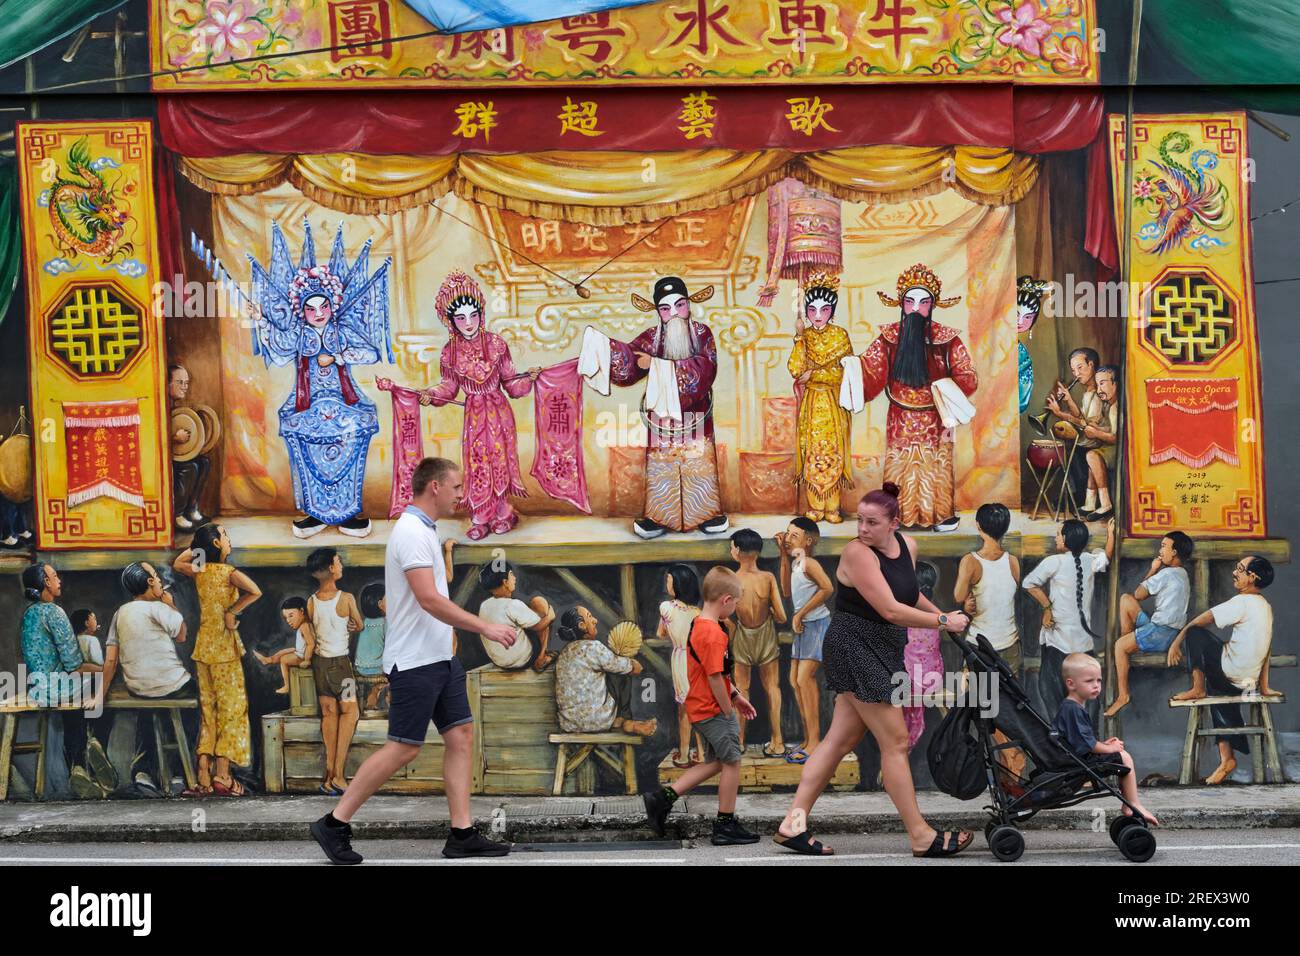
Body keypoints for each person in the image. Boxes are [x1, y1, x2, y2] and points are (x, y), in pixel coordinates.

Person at [311, 457, 519, 863]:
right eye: (457, 486)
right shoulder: (409, 532)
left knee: (459, 738)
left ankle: (461, 834)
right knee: (403, 748)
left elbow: (432, 596)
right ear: (435, 488)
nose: (462, 494)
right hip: (414, 662)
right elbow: (428, 599)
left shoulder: (426, 530)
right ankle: (334, 823)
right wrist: (485, 627)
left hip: (440, 658)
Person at [773, 484, 972, 857]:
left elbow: (909, 596)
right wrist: (944, 621)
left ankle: (792, 824)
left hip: (883, 646)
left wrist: (943, 616)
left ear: (894, 523)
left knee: (838, 741)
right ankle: (921, 835)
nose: (862, 529)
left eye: (872, 522)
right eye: (859, 521)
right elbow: (891, 611)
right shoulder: (857, 554)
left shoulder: (907, 548)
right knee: (895, 741)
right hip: (853, 645)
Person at [246, 221, 390, 540]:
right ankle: (315, 513)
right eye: (311, 309)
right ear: (302, 311)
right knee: (307, 456)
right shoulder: (298, 334)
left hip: (344, 405)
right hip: (307, 407)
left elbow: (369, 353)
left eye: (323, 306)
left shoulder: (341, 333)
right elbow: (281, 352)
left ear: (332, 305)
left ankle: (348, 512)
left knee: (351, 448)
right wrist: (261, 322)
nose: (319, 312)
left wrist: (339, 357)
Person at [389, 270, 539, 541]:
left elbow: (512, 383)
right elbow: (448, 388)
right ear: (450, 320)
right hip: (474, 416)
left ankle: (504, 513)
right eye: (461, 318)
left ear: (482, 314)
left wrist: (529, 379)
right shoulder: (450, 352)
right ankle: (481, 517)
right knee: (478, 462)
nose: (468, 323)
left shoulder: (496, 344)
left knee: (500, 460)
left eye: (474, 315)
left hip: (499, 411)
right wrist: (430, 394)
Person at [594, 275, 728, 539]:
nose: (675, 313)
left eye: (680, 305)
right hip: (663, 420)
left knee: (697, 461)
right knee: (661, 465)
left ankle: (706, 514)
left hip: (696, 413)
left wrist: (655, 365)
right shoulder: (652, 337)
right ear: (658, 312)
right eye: (666, 309)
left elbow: (706, 368)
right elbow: (629, 363)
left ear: (689, 304)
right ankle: (659, 517)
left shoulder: (702, 334)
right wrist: (602, 348)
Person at [642, 567, 760, 845]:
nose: (736, 607)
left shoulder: (701, 626)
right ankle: (724, 825)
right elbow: (715, 676)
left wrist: (736, 696)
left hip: (702, 705)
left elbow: (713, 671)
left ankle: (661, 799)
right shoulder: (713, 633)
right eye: (737, 602)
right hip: (713, 709)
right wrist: (728, 708)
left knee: (717, 762)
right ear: (726, 600)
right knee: (732, 763)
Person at [858, 264, 978, 532]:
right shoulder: (889, 338)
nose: (915, 308)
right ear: (901, 304)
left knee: (937, 468)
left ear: (933, 305)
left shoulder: (947, 340)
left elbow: (967, 375)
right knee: (900, 466)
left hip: (938, 416)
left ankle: (941, 516)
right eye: (910, 301)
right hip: (900, 416)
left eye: (924, 302)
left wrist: (944, 388)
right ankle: (895, 518)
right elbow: (871, 371)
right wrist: (852, 368)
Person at [1167, 556, 1280, 785]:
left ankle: (1197, 689)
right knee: (1217, 686)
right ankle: (1227, 759)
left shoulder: (1241, 602)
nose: (1234, 573)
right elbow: (1266, 650)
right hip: (1248, 680)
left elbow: (1200, 621)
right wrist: (1264, 685)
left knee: (1195, 634)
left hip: (1231, 674)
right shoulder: (1266, 607)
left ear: (1253, 577)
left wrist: (1176, 641)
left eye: (1240, 569)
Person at [172, 524, 260, 797]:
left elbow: (178, 562)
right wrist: (233, 611)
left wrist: (200, 546)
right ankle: (222, 775)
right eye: (225, 536)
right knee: (231, 710)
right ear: (216, 543)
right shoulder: (228, 573)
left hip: (204, 648)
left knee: (209, 712)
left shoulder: (199, 570)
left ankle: (203, 776)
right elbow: (255, 591)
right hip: (225, 648)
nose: (230, 541)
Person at [98, 562, 199, 793]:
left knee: (150, 710)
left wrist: (100, 694)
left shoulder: (120, 613)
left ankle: (143, 770)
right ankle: (177, 772)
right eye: (156, 576)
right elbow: (182, 635)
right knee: (191, 709)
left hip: (138, 687)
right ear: (150, 582)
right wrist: (171, 606)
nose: (161, 581)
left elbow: (111, 660)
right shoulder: (159, 608)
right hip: (172, 685)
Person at [1023, 518, 1115, 727]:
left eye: (1058, 534)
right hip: (1083, 644)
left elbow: (1029, 583)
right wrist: (1110, 534)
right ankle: (1088, 737)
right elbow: (1106, 556)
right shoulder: (1090, 559)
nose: (1055, 538)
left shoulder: (1054, 561)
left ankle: (1062, 736)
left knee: (1049, 688)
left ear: (1065, 539)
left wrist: (1047, 607)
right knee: (1088, 694)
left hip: (1057, 641)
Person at [1054, 653, 1158, 825]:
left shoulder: (1072, 707)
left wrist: (1104, 745)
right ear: (1071, 684)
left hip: (1076, 757)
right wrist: (1110, 748)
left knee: (1119, 753)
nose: (1096, 686)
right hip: (1075, 762)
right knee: (1124, 757)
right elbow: (1089, 745)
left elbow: (1082, 741)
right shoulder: (1073, 709)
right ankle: (1131, 803)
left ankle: (1130, 804)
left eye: (1099, 680)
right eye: (1089, 681)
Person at [788, 271, 854, 522]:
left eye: (824, 310)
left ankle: (833, 507)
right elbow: (795, 369)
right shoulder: (804, 335)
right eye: (812, 310)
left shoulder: (840, 336)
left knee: (834, 452)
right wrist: (798, 338)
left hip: (834, 402)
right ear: (805, 310)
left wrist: (814, 373)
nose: (817, 316)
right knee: (812, 452)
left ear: (832, 311)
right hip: (812, 404)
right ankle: (815, 507)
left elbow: (842, 372)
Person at [1105, 531, 1193, 718]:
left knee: (1119, 646)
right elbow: (1133, 598)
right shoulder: (1182, 573)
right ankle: (1128, 647)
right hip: (1168, 631)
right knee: (1125, 600)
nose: (1160, 550)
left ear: (1174, 552)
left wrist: (1153, 569)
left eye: (1164, 546)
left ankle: (1123, 695)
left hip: (1161, 633)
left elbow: (1139, 593)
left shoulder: (1166, 573)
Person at [306, 547, 364, 796]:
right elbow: (358, 625)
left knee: (328, 716)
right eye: (338, 562)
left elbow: (312, 633)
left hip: (319, 665)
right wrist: (353, 625)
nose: (341, 565)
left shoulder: (311, 601)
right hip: (342, 666)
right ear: (331, 568)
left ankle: (329, 776)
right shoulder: (347, 598)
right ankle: (339, 776)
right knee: (350, 714)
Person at [776, 516, 833, 763]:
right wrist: (782, 555)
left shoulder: (810, 563)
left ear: (808, 541)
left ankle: (816, 740)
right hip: (804, 627)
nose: (788, 539)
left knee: (804, 679)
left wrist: (801, 613)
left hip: (817, 625)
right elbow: (787, 591)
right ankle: (809, 739)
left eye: (794, 536)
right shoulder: (797, 563)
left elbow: (828, 588)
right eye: (787, 534)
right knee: (793, 680)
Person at [554, 606, 658, 736]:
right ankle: (625, 721)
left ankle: (623, 721)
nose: (595, 620)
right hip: (597, 721)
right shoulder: (593, 647)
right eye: (590, 617)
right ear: (582, 625)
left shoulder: (564, 653)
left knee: (611, 669)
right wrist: (634, 664)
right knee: (622, 673)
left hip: (568, 723)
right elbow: (631, 668)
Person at [729, 528, 787, 756]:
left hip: (743, 636)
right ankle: (778, 742)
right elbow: (782, 617)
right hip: (766, 636)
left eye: (732, 547)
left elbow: (724, 615)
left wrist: (733, 629)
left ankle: (739, 742)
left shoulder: (731, 580)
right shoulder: (768, 578)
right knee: (772, 688)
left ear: (737, 551)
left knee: (741, 689)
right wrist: (770, 610)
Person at [954, 502, 1022, 674]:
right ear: (1005, 528)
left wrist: (968, 600)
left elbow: (958, 596)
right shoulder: (1012, 561)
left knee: (978, 698)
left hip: (979, 646)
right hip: (1010, 645)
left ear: (978, 526)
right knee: (1008, 699)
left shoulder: (970, 561)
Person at [657, 563, 702, 767]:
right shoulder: (697, 612)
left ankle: (684, 755)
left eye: (669, 580)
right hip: (697, 660)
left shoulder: (667, 608)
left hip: (680, 659)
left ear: (678, 585)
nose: (667, 583)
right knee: (700, 708)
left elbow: (660, 634)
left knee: (684, 709)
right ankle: (702, 754)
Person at [475, 562, 556, 671]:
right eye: (511, 574)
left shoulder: (485, 605)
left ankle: (539, 656)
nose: (515, 578)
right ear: (505, 582)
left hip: (500, 661)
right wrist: (550, 616)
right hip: (522, 660)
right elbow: (539, 626)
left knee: (524, 619)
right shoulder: (512, 605)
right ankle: (540, 659)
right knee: (539, 603)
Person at [902, 561, 943, 752]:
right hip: (931, 679)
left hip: (908, 681)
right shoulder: (933, 615)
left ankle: (903, 745)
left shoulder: (903, 614)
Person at [167, 364, 210, 531]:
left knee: (204, 462)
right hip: (160, 458)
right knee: (189, 467)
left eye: (186, 382)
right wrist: (173, 438)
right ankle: (177, 514)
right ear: (168, 383)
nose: (185, 387)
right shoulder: (159, 403)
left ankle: (191, 509)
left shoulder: (173, 403)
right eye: (180, 382)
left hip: (174, 454)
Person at [255, 596, 316, 695]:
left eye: (291, 615)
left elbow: (311, 643)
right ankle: (268, 660)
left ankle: (287, 686)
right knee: (284, 651)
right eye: (286, 617)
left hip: (303, 656)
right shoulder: (303, 625)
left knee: (284, 659)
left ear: (301, 611)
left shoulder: (305, 626)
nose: (288, 620)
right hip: (300, 652)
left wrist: (307, 660)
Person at [355, 582, 388, 712]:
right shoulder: (386, 623)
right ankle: (376, 692)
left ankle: (372, 695)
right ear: (380, 604)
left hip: (361, 666)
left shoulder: (365, 622)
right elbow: (390, 647)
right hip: (377, 669)